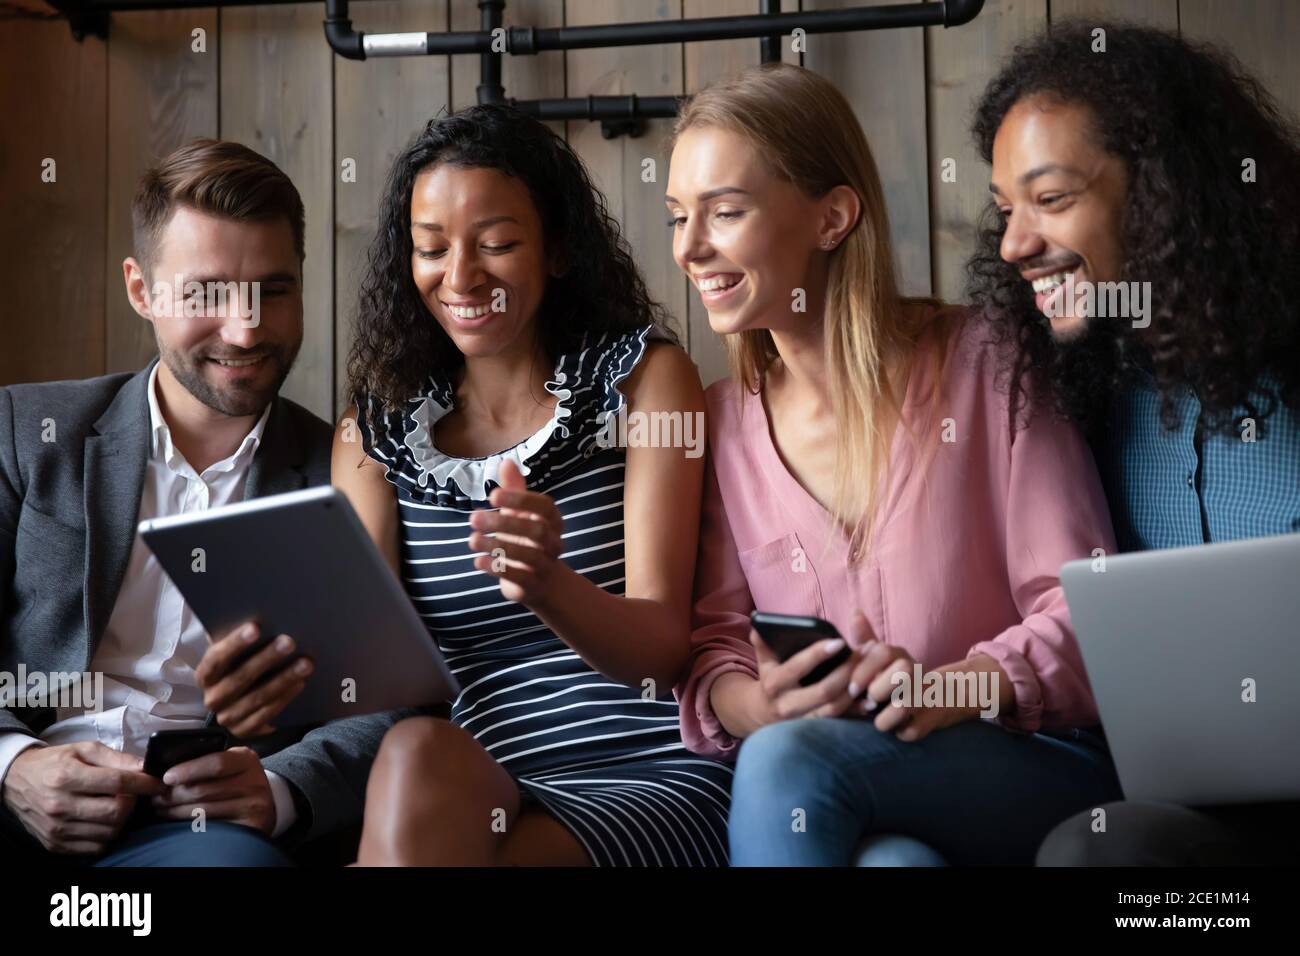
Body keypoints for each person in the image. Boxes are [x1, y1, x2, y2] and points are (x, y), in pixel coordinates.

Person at [666, 62, 1120, 866]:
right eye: (678, 218)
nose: (690, 248)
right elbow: (716, 650)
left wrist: (951, 689)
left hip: (1034, 771)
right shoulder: (722, 425)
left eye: (725, 213)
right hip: (855, 784)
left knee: (787, 761)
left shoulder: (994, 361)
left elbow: (1091, 617)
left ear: (833, 217)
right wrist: (760, 704)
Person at [337, 105, 731, 866]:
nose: (460, 277)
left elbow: (663, 650)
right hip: (482, 779)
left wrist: (549, 583)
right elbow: (373, 679)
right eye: (430, 249)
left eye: (497, 244)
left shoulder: (645, 383)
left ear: (556, 249)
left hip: (646, 768)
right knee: (415, 753)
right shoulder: (373, 435)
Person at [0, 139, 391, 865]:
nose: (245, 330)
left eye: (273, 290)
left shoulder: (348, 472)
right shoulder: (23, 433)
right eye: (208, 293)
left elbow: (390, 699)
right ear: (140, 289)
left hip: (199, 836)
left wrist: (280, 789)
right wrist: (12, 764)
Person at [966, 20, 1300, 866]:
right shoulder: (1074, 391)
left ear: (1161, 193)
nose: (1013, 243)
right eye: (1007, 209)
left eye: (1051, 199)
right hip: (1190, 813)